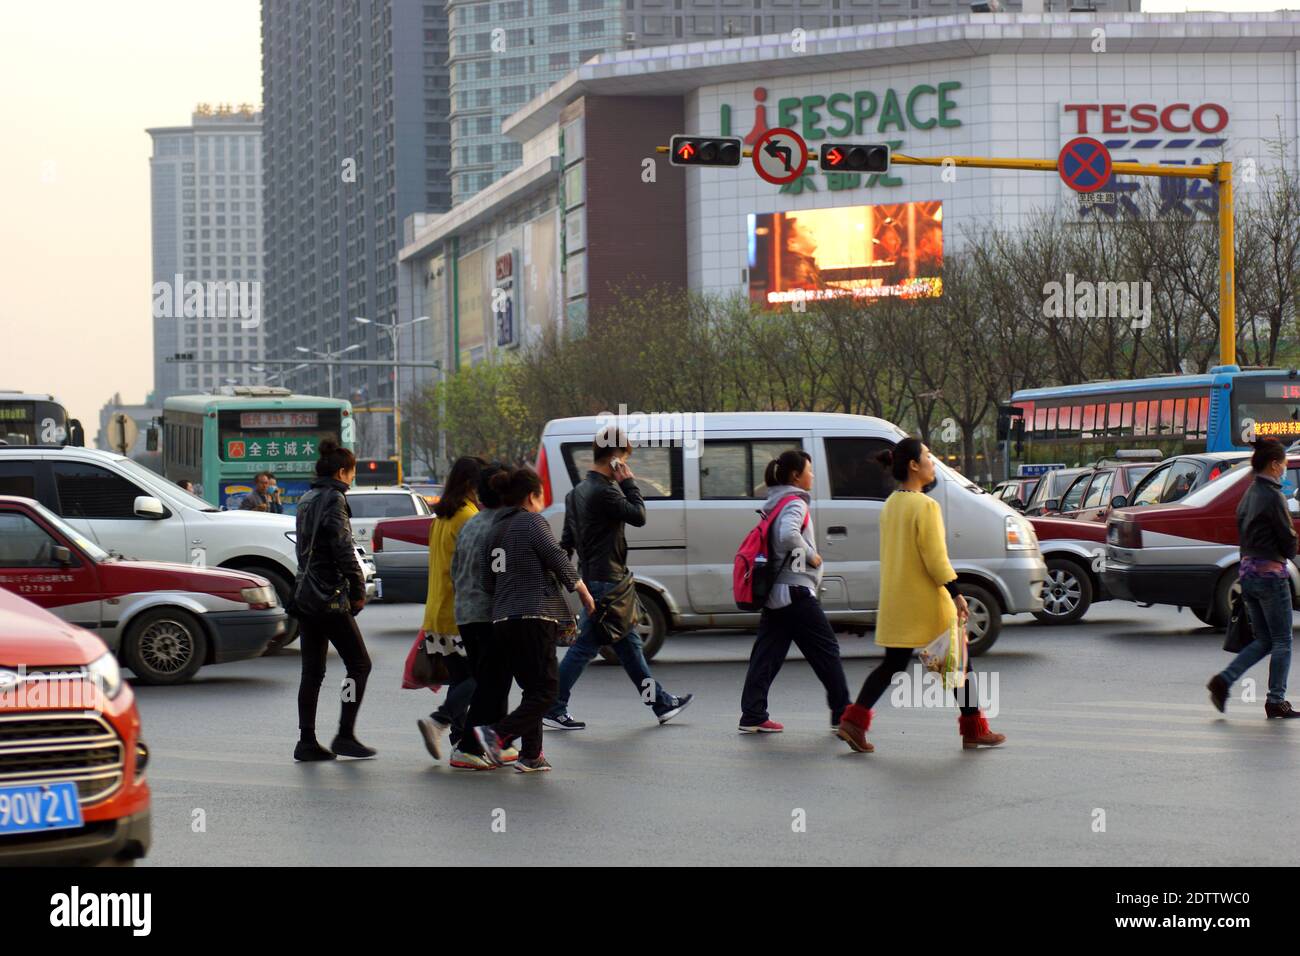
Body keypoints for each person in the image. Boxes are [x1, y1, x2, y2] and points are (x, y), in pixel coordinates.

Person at [836, 437, 1005, 753]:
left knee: (892, 665)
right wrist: (956, 594)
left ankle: (853, 723)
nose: (932, 461)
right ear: (914, 465)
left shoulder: (892, 504)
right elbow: (936, 559)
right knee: (957, 666)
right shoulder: (926, 505)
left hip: (898, 601)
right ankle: (974, 730)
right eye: (928, 456)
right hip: (927, 601)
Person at [545, 426, 693, 730]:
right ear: (615, 459)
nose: (626, 467)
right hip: (608, 581)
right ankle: (552, 705)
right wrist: (630, 484)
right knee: (586, 647)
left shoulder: (575, 494)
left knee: (629, 647)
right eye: (625, 460)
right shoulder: (605, 491)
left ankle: (661, 704)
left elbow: (567, 539)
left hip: (599, 578)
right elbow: (639, 516)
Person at [472, 467, 596, 772]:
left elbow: (488, 580)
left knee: (532, 688)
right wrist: (581, 589)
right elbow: (556, 556)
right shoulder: (531, 522)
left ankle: (531, 755)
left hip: (503, 620)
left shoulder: (493, 529)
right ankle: (497, 734)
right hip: (534, 616)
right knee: (546, 692)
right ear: (531, 496)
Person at [738, 450, 850, 734]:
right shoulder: (794, 502)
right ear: (796, 476)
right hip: (795, 591)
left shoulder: (775, 501)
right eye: (809, 470)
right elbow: (788, 535)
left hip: (777, 592)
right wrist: (812, 556)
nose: (812, 475)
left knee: (767, 654)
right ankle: (843, 715)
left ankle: (752, 714)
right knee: (827, 650)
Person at [291, 439, 374, 762]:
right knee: (359, 664)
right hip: (329, 597)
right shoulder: (334, 500)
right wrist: (358, 589)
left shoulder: (307, 498)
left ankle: (306, 740)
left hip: (304, 595)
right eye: (351, 473)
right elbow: (343, 549)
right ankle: (344, 734)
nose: (351, 480)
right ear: (343, 471)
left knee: (312, 671)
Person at [414, 455, 498, 765]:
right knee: (483, 678)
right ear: (472, 485)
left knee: (464, 678)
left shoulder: (442, 516)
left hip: (437, 611)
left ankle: (460, 743)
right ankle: (440, 720)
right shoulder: (468, 516)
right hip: (459, 613)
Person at [1208, 438, 1300, 718]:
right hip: (1271, 575)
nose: (1284, 469)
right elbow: (1287, 538)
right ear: (1274, 465)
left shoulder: (1249, 493)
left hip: (1247, 574)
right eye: (1283, 464)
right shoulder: (1273, 496)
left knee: (1264, 640)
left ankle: (1223, 680)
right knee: (1283, 640)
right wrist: (1291, 547)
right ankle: (1276, 700)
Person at [444, 461, 516, 770]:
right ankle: (468, 746)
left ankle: (498, 741)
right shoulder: (502, 525)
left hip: (466, 614)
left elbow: (455, 570)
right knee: (491, 683)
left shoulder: (472, 522)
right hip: (490, 614)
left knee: (495, 680)